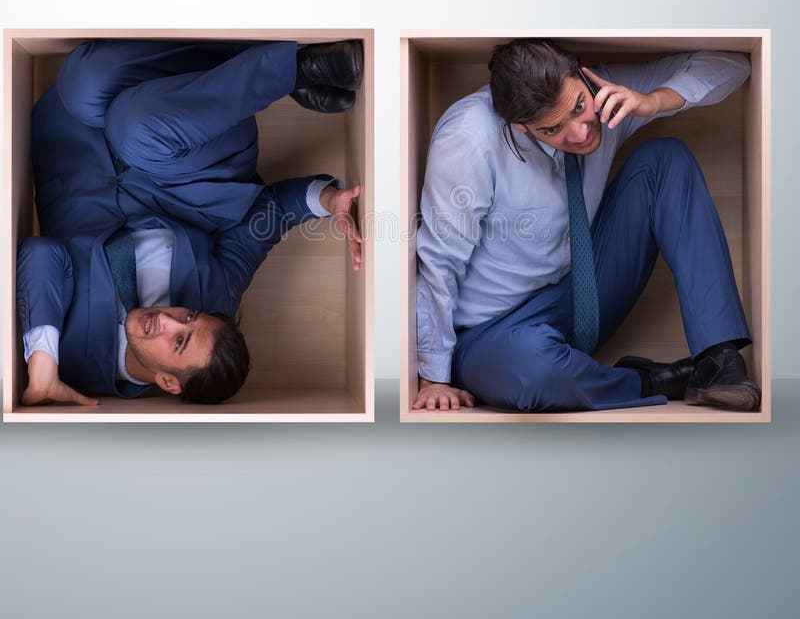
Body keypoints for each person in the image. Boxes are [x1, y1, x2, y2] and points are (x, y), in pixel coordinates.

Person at [414, 39, 761, 413]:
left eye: (579, 107)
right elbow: (438, 261)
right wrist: (434, 378)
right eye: (552, 129)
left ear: (581, 74)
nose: (580, 133)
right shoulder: (469, 140)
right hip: (496, 335)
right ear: (522, 127)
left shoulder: (604, 92)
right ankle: (659, 380)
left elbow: (732, 64)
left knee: (666, 161)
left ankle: (717, 362)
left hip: (582, 295)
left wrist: (652, 101)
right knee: (536, 373)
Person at [16, 38, 364, 406]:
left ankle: (260, 67)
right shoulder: (218, 300)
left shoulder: (70, 364)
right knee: (133, 128)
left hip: (75, 147)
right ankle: (293, 70)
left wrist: (42, 363)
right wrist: (328, 200)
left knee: (82, 80)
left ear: (168, 382)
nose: (169, 319)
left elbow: (41, 253)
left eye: (178, 341)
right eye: (190, 316)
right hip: (187, 162)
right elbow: (273, 211)